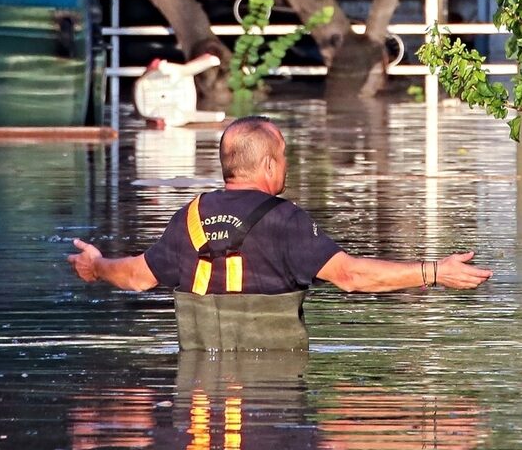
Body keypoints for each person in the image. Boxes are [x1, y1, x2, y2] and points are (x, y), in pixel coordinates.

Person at [69, 115, 492, 350]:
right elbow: (350, 276)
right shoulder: (285, 219)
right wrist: (434, 272)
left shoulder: (188, 216)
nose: (286, 166)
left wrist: (97, 264)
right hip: (277, 382)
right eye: (284, 157)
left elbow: (137, 277)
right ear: (269, 165)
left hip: (197, 381)